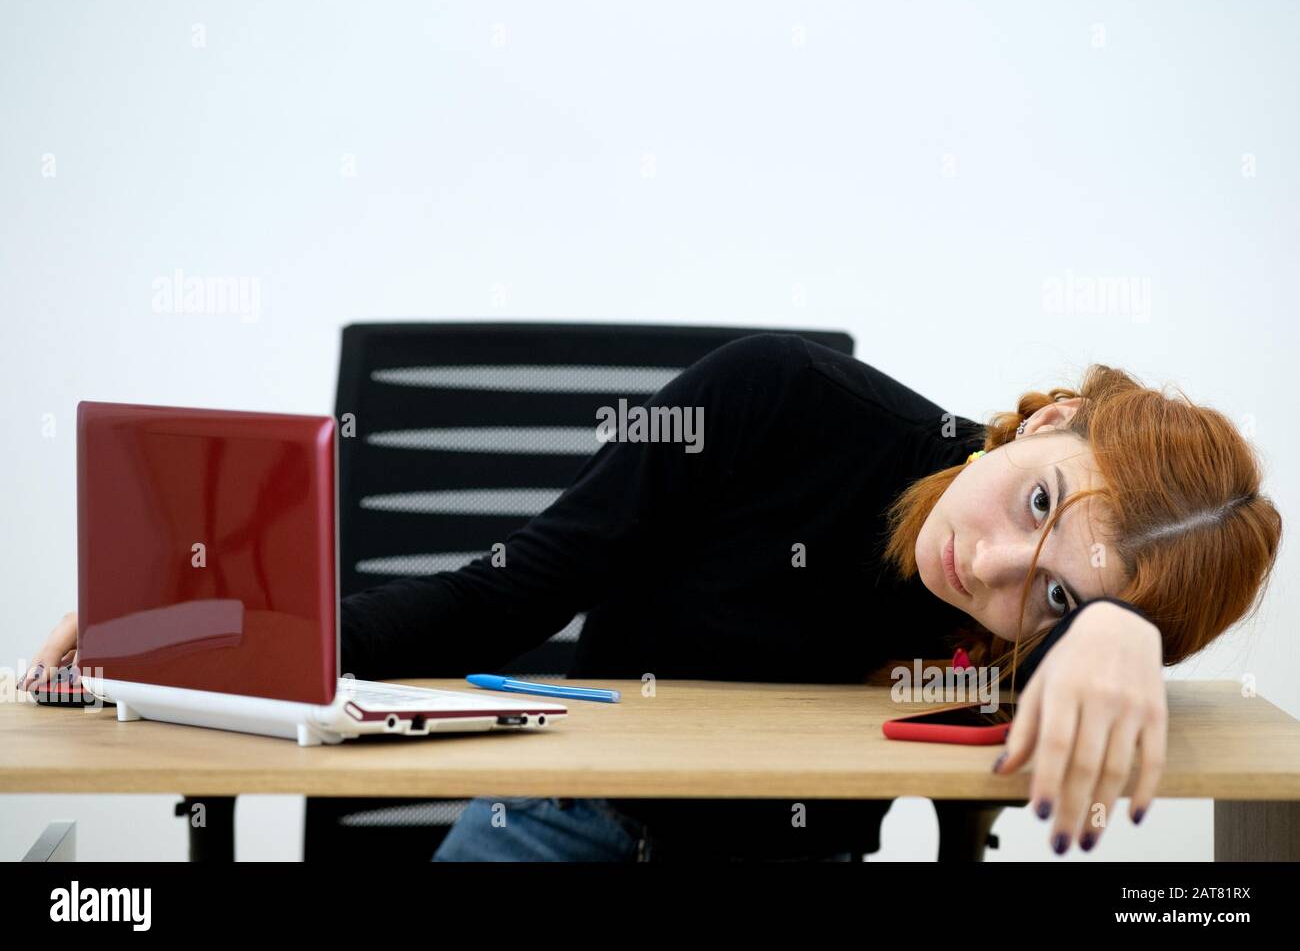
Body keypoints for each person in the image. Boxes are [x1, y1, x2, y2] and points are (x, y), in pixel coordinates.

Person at [25, 334, 1282, 860]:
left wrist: (1113, 628)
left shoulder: (1033, 645)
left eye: (1051, 598)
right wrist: (228, 630)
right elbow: (497, 599)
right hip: (560, 824)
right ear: (1050, 419)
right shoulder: (781, 399)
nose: (996, 570)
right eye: (1037, 504)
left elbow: (1076, 670)